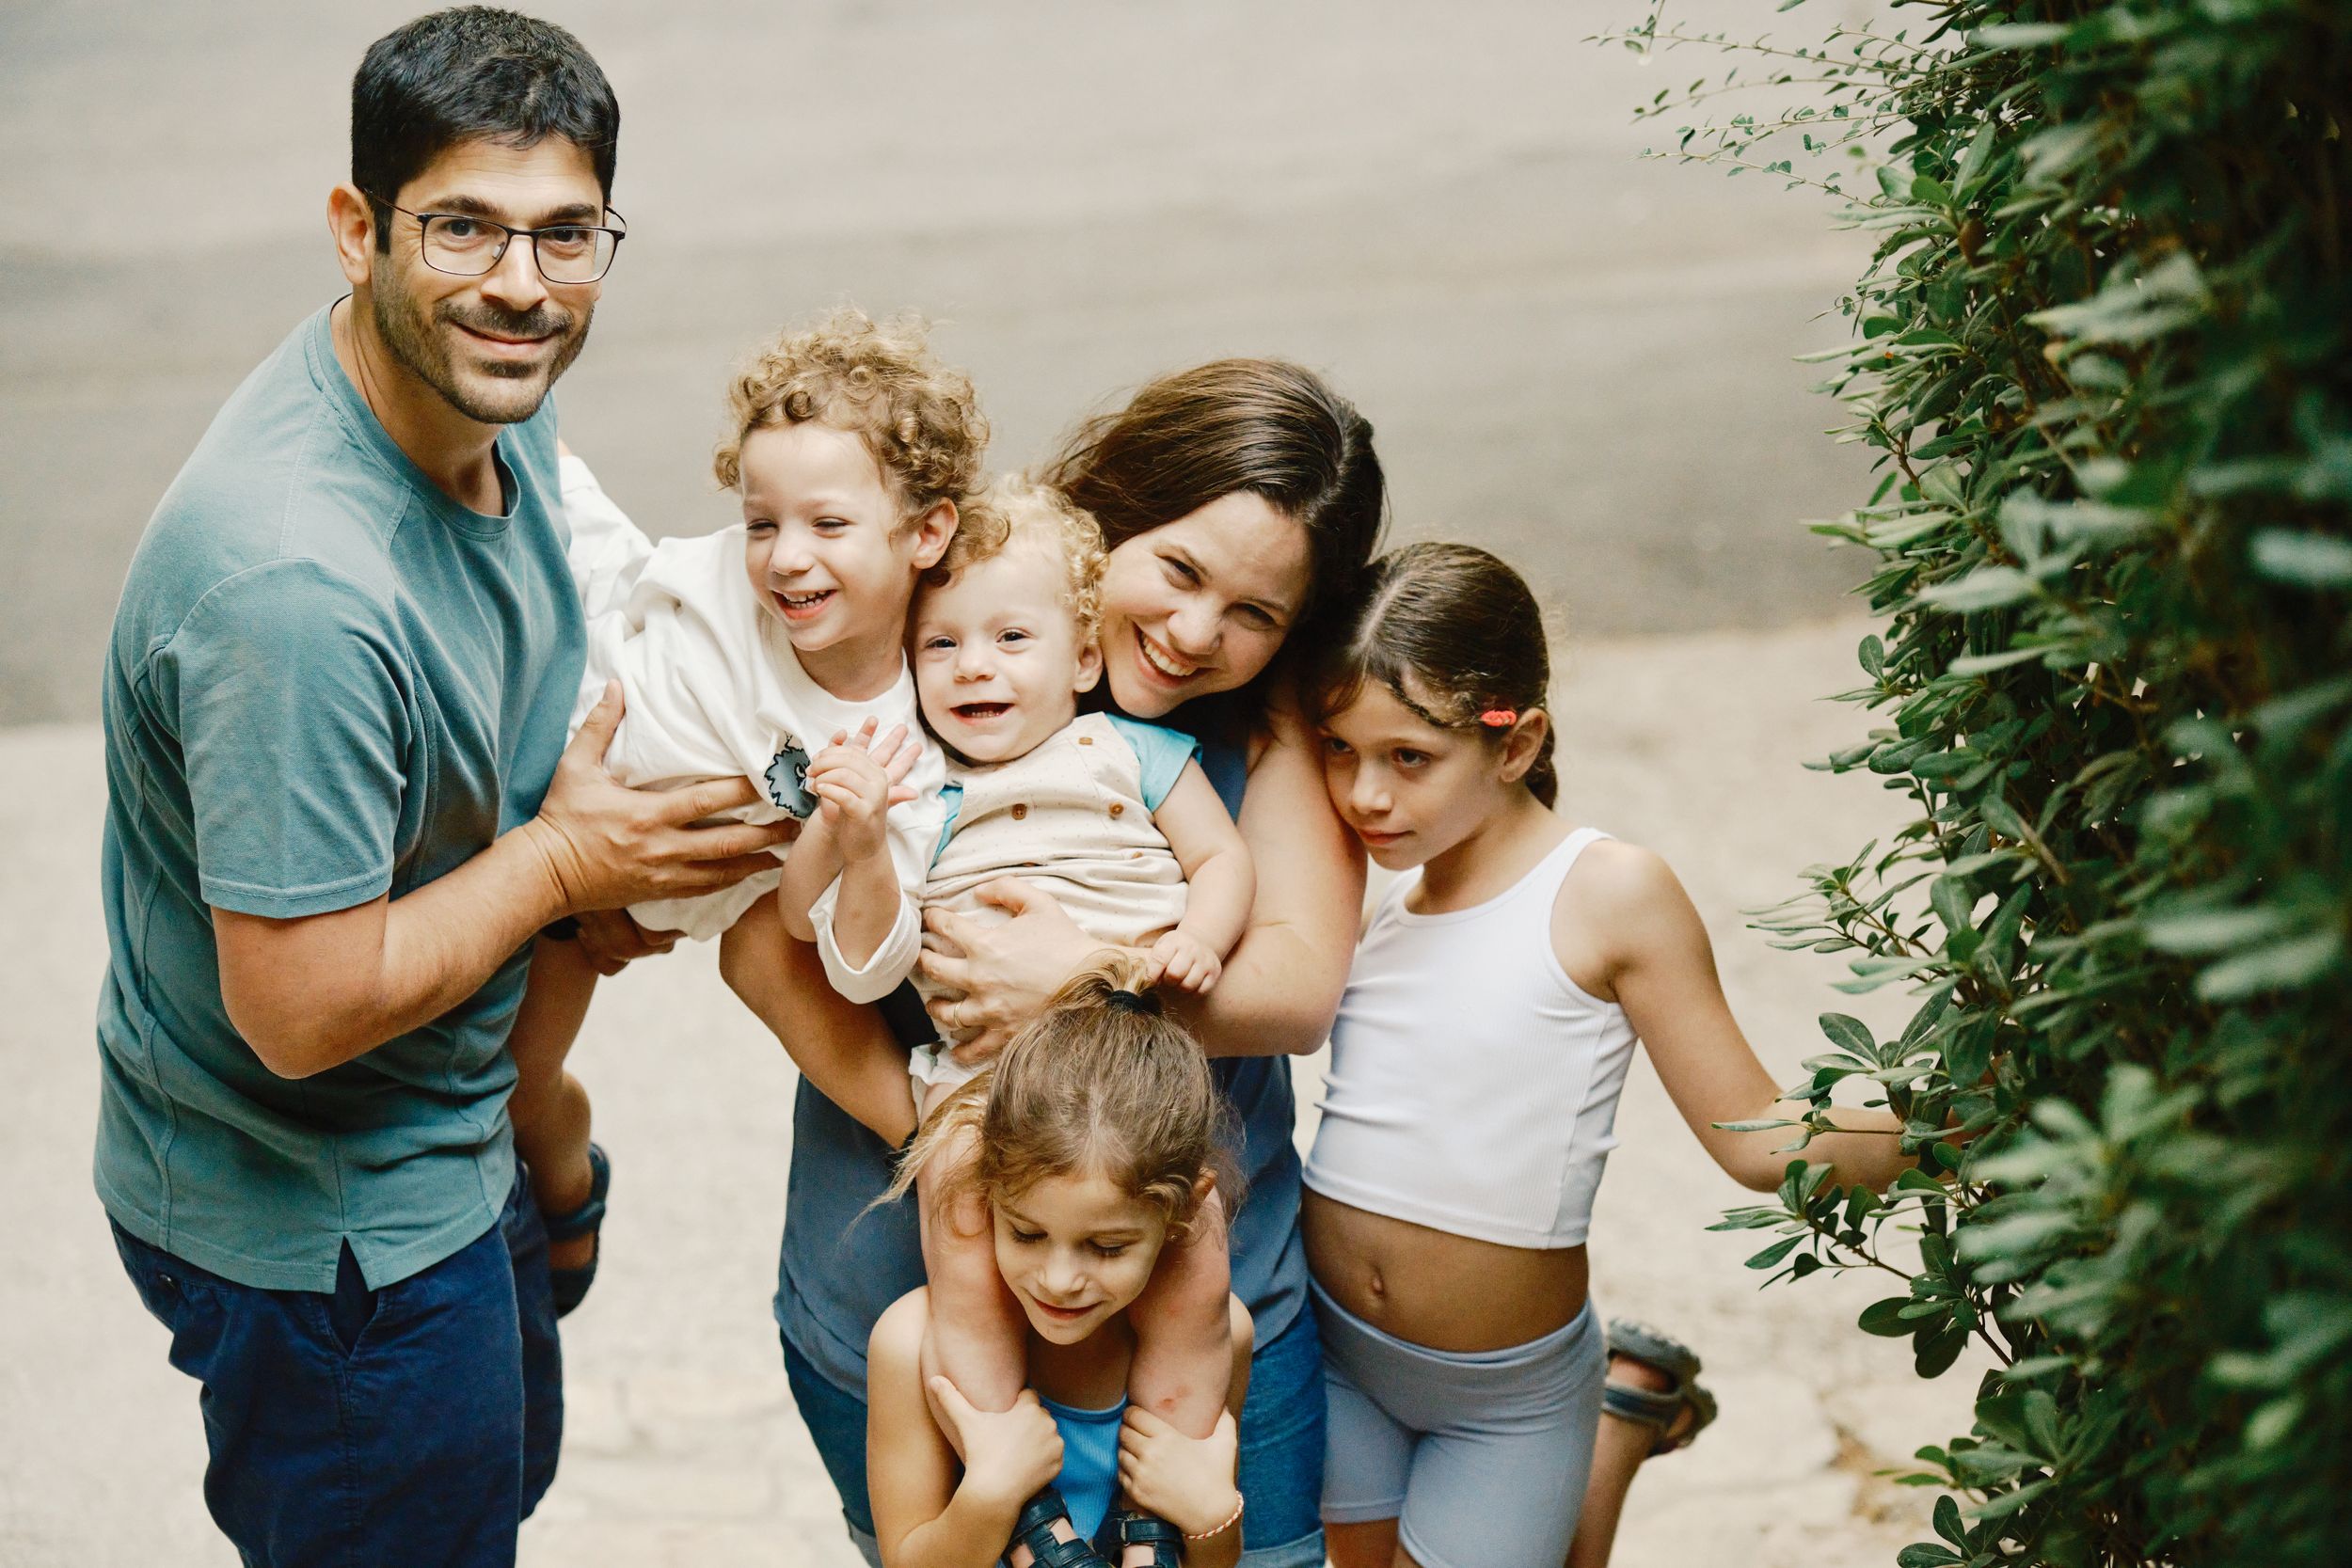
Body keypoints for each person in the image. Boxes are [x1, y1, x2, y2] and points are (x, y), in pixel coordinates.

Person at [93, 9, 792, 1564]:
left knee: (496, 1477)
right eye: (463, 225)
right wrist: (560, 867)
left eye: (567, 233)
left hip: (454, 1131)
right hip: (333, 1224)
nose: (523, 286)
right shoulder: (296, 587)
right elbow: (300, 1001)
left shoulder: (473, 396)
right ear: (358, 230)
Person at [723, 358, 1389, 1568]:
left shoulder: (1269, 729)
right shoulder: (943, 643)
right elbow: (762, 952)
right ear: (1107, 525)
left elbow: (1294, 988)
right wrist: (964, 1134)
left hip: (1199, 1299)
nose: (1195, 633)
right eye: (1177, 570)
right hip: (900, 1286)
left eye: (1255, 613)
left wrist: (1085, 978)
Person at [1298, 543, 1921, 1568]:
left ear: (1516, 740)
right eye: (1338, 748)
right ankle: (1626, 1406)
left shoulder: (1604, 891)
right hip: (1341, 1354)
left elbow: (1760, 1139)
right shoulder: (1378, 894)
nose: (1364, 793)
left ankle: (1610, 1420)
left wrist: (1977, 1127)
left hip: (1500, 1392)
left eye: (1408, 756)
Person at [807, 475, 1254, 1563]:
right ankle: (1017, 1485)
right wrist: (856, 838)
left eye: (1012, 636)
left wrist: (1191, 937)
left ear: (1083, 660)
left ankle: (1167, 1487)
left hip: (1130, 1057)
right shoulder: (917, 790)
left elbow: (1223, 858)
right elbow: (836, 944)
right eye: (940, 645)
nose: (974, 666)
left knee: (1194, 1248)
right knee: (960, 1207)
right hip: (983, 1080)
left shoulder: (1134, 755)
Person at [508, 307, 979, 1310]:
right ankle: (552, 1163)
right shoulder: (722, 583)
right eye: (763, 520)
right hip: (521, 785)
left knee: (507, 1079)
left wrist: (854, 851)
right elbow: (604, 555)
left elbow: (865, 959)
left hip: (594, 911)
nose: (783, 557)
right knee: (501, 1091)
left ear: (927, 529)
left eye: (828, 524)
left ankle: (561, 1174)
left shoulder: (898, 742)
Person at [866, 958, 1254, 1568]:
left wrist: (1210, 1516)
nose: (1059, 1279)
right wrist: (992, 1495)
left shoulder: (1218, 1334)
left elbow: (1212, 1559)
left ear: (1180, 1213)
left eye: (1107, 1247)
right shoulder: (908, 1343)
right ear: (985, 1190)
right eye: (1026, 1232)